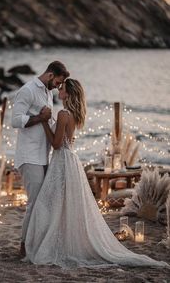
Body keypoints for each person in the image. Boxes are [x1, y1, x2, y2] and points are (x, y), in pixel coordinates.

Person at [23, 78, 169, 269]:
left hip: (62, 161)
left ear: (68, 93)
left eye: (62, 88)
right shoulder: (73, 114)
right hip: (71, 161)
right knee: (63, 205)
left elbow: (57, 144)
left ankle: (50, 244)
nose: (59, 89)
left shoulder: (63, 114)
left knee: (49, 204)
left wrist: (43, 122)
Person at [11, 61, 70, 257]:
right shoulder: (27, 90)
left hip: (43, 155)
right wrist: (39, 118)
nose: (58, 86)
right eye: (58, 82)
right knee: (34, 202)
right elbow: (15, 120)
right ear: (51, 74)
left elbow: (49, 121)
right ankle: (23, 247)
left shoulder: (47, 92)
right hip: (29, 155)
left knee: (42, 202)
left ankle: (35, 244)